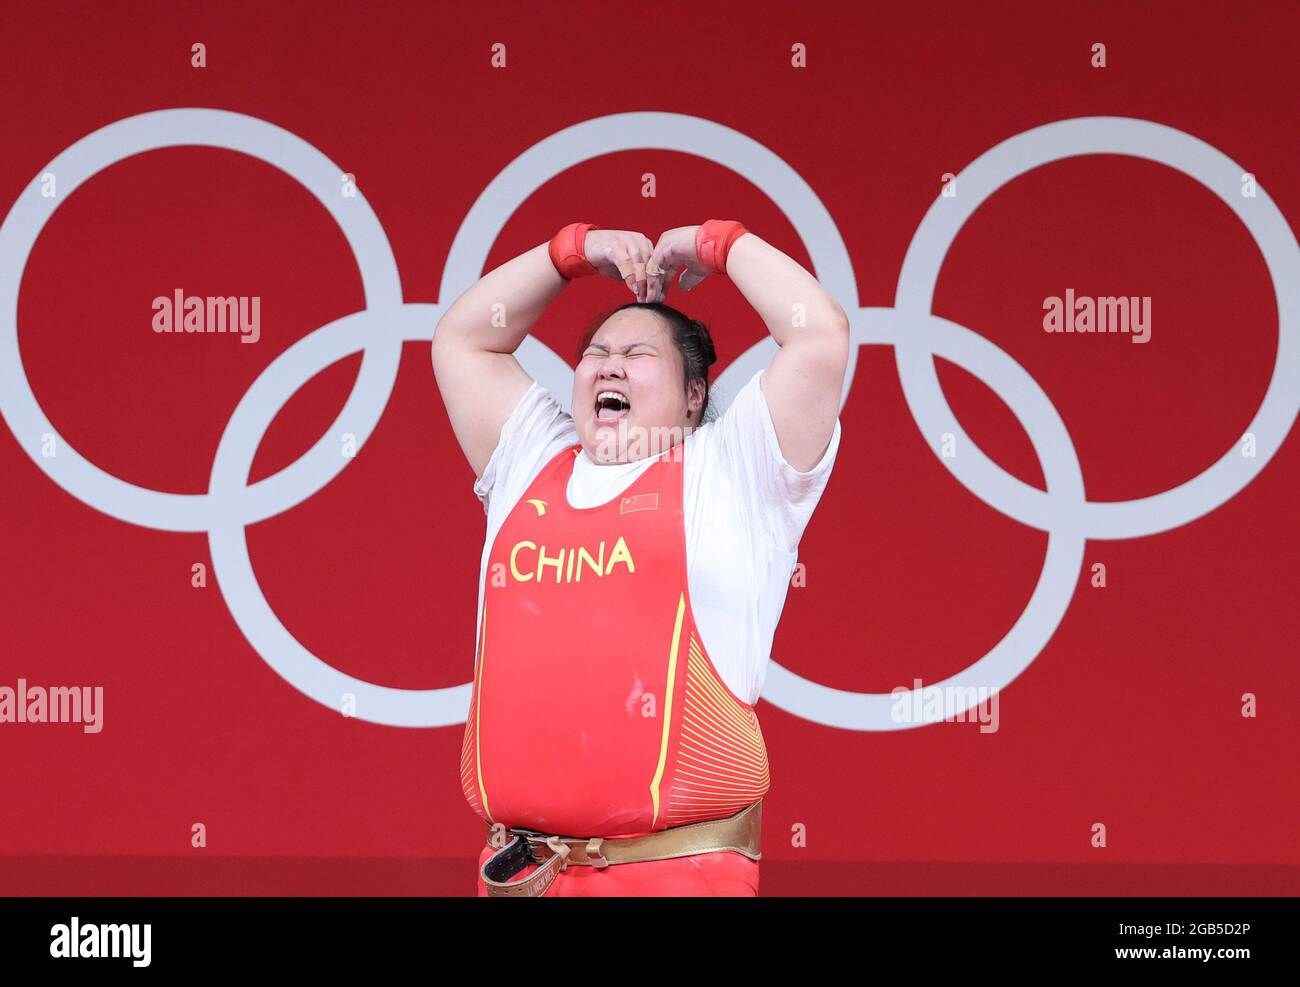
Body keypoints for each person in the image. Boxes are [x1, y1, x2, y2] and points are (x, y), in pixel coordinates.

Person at [431, 220, 849, 896]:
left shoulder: (732, 470)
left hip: (673, 877)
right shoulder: (530, 456)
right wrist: (572, 250)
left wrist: (717, 242)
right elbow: (464, 338)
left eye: (637, 352)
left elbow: (818, 333)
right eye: (595, 352)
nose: (609, 363)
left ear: (692, 396)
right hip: (522, 878)